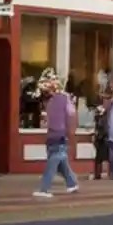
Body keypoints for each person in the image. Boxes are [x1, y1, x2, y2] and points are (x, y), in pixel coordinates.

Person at [33, 69, 79, 198]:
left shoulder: (64, 99)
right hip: (53, 136)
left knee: (52, 163)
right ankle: (72, 183)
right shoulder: (51, 101)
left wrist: (71, 134)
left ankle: (44, 189)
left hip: (60, 136)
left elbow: (71, 116)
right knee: (61, 163)